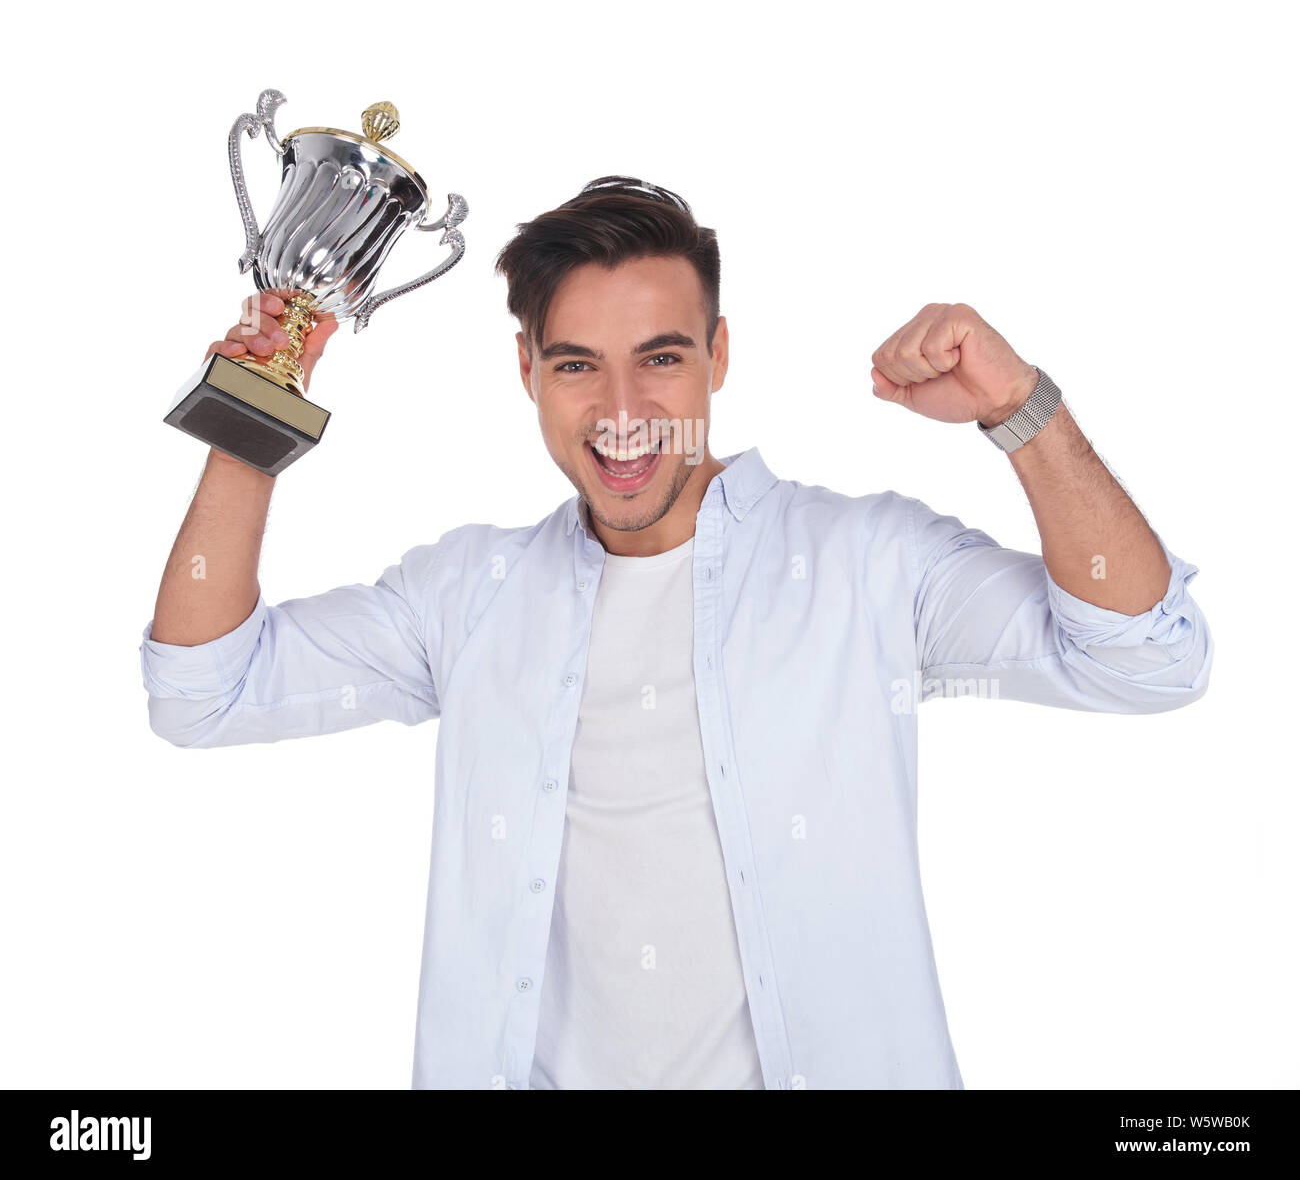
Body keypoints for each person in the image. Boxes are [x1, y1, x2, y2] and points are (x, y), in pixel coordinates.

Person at [140, 175, 1213, 1090]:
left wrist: (1019, 410)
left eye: (659, 358)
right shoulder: (466, 595)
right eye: (575, 365)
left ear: (718, 355)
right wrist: (255, 406)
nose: (620, 409)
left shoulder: (862, 565)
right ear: (527, 373)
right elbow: (203, 693)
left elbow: (1147, 656)